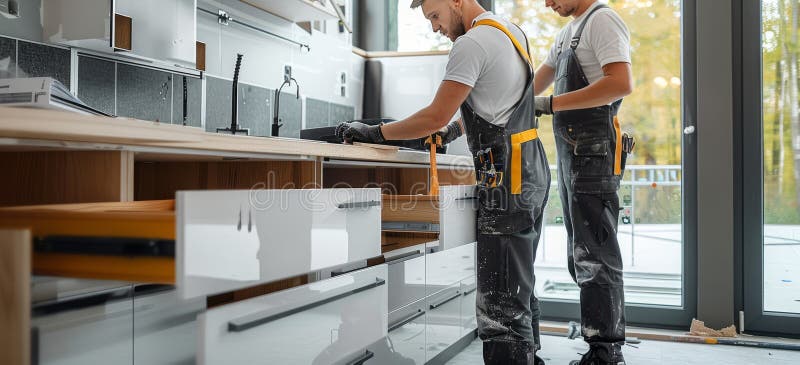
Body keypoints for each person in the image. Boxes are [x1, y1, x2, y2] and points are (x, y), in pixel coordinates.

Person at [335, 0, 550, 363]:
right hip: (530, 169)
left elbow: (434, 114)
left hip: (506, 181)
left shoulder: (470, 44)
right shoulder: (511, 32)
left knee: (500, 303)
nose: (435, 27)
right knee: (518, 286)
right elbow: (494, 101)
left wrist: (376, 132)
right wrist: (454, 131)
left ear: (456, 1)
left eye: (435, 16)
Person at [533, 0, 634, 364]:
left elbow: (620, 83)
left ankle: (606, 354)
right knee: (581, 254)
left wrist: (550, 104)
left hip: (594, 155)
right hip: (573, 155)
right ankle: (599, 349)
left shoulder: (602, 21)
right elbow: (532, 87)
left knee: (597, 255)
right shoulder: (564, 36)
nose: (546, 3)